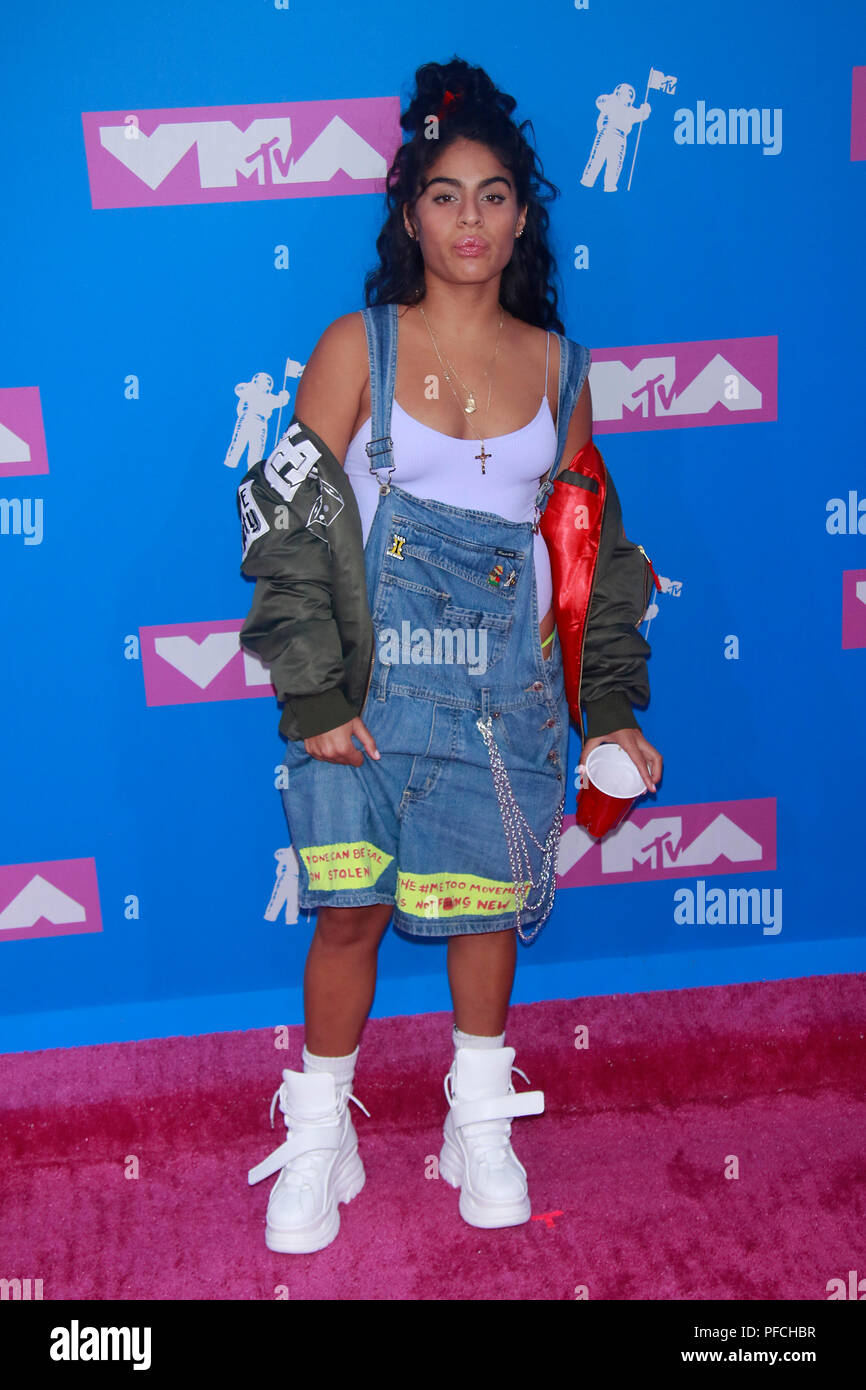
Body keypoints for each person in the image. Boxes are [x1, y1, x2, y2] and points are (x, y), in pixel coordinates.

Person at [238, 57, 663, 1254]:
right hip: (363, 700)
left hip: (501, 699)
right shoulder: (356, 346)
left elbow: (592, 556)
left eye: (489, 195)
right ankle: (323, 1126)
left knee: (482, 917)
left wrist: (613, 709)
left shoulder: (558, 368)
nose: (466, 219)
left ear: (522, 215)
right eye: (441, 194)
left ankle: (479, 1115)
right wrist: (313, 689)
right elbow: (278, 515)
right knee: (348, 916)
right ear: (408, 212)